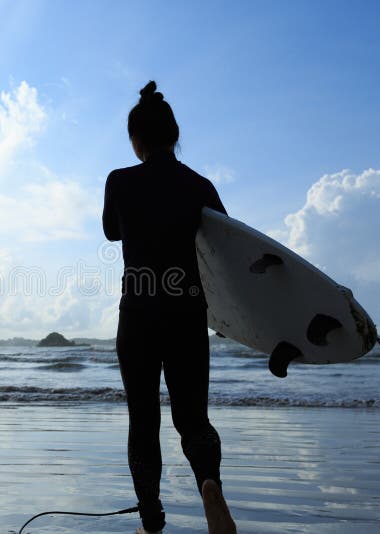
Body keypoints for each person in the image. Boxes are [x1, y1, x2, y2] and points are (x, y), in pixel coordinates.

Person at [103, 81, 236, 534]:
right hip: (186, 313)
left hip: (138, 313)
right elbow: (225, 243)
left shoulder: (120, 181)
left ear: (135, 139)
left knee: (143, 419)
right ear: (175, 135)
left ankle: (151, 519)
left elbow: (111, 231)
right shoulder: (199, 185)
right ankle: (209, 484)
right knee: (193, 418)